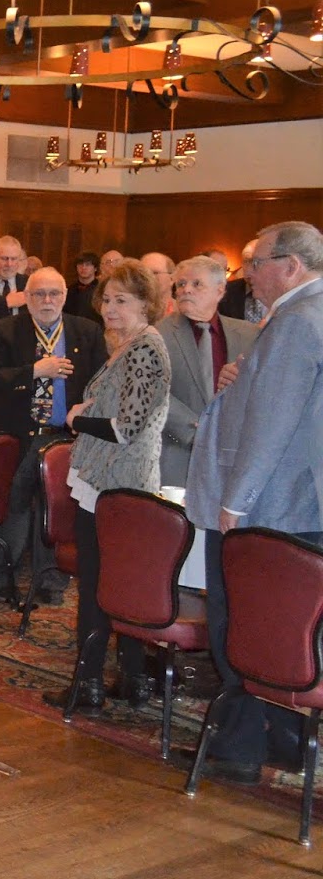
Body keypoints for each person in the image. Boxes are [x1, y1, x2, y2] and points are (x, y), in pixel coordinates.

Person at [185, 221, 323, 785]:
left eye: (256, 263)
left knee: (243, 622)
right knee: (294, 628)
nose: (249, 276)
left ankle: (241, 747)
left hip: (270, 505)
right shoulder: (301, 317)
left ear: (290, 266)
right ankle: (286, 741)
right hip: (302, 503)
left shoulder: (295, 322)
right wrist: (240, 381)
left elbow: (273, 421)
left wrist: (236, 502)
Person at [44, 258, 170, 714]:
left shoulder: (145, 348)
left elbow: (125, 427)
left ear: (145, 303)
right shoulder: (127, 344)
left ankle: (89, 686)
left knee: (103, 586)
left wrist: (78, 417)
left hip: (119, 484)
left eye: (122, 300)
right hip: (106, 481)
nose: (110, 308)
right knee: (113, 585)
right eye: (107, 299)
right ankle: (129, 680)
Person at [0, 267, 106, 604]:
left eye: (54, 294)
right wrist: (35, 370)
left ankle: (51, 581)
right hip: (20, 435)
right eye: (39, 294)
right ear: (27, 298)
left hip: (66, 436)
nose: (47, 301)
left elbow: (100, 382)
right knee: (14, 507)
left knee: (59, 509)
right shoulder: (6, 330)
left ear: (64, 296)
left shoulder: (86, 331)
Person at [157, 256, 257, 487]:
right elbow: (154, 390)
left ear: (220, 290)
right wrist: (199, 430)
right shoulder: (157, 334)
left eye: (196, 284)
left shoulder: (249, 335)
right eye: (181, 284)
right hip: (178, 452)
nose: (186, 290)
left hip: (232, 456)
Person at [218, 238, 267, 325]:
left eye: (256, 262)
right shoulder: (225, 291)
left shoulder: (283, 291)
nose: (250, 268)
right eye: (246, 262)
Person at [0, 236, 29, 316]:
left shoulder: (29, 283)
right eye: (4, 258)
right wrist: (5, 303)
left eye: (14, 259)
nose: (9, 264)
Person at [65, 251, 101, 322]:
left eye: (88, 264)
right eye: (80, 264)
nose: (83, 268)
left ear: (95, 268)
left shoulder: (101, 290)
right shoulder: (69, 290)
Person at [141, 251, 176, 316]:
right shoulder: (131, 312)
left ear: (172, 278)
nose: (149, 277)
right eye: (144, 273)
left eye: (155, 273)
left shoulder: (182, 311)